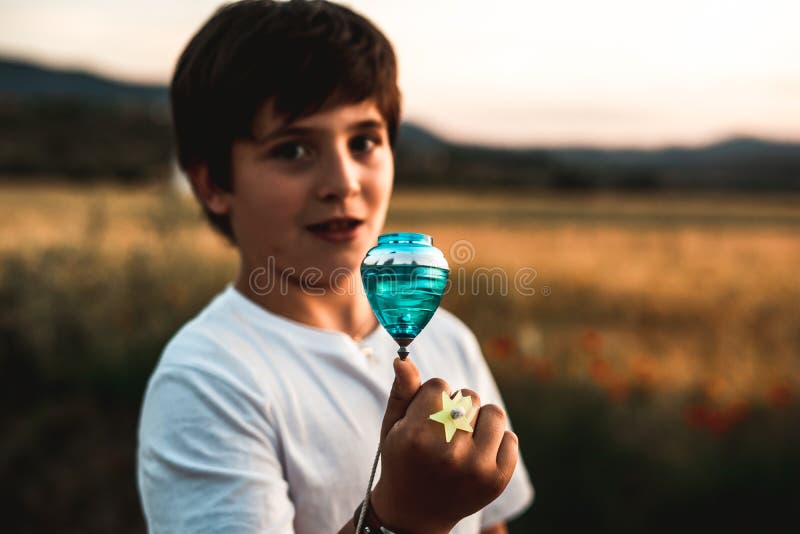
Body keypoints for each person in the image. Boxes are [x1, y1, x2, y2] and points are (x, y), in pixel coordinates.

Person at [136, 1, 534, 532]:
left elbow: (490, 524)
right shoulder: (208, 381)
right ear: (212, 184)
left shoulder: (449, 339)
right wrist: (403, 517)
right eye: (294, 149)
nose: (343, 181)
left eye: (364, 141)